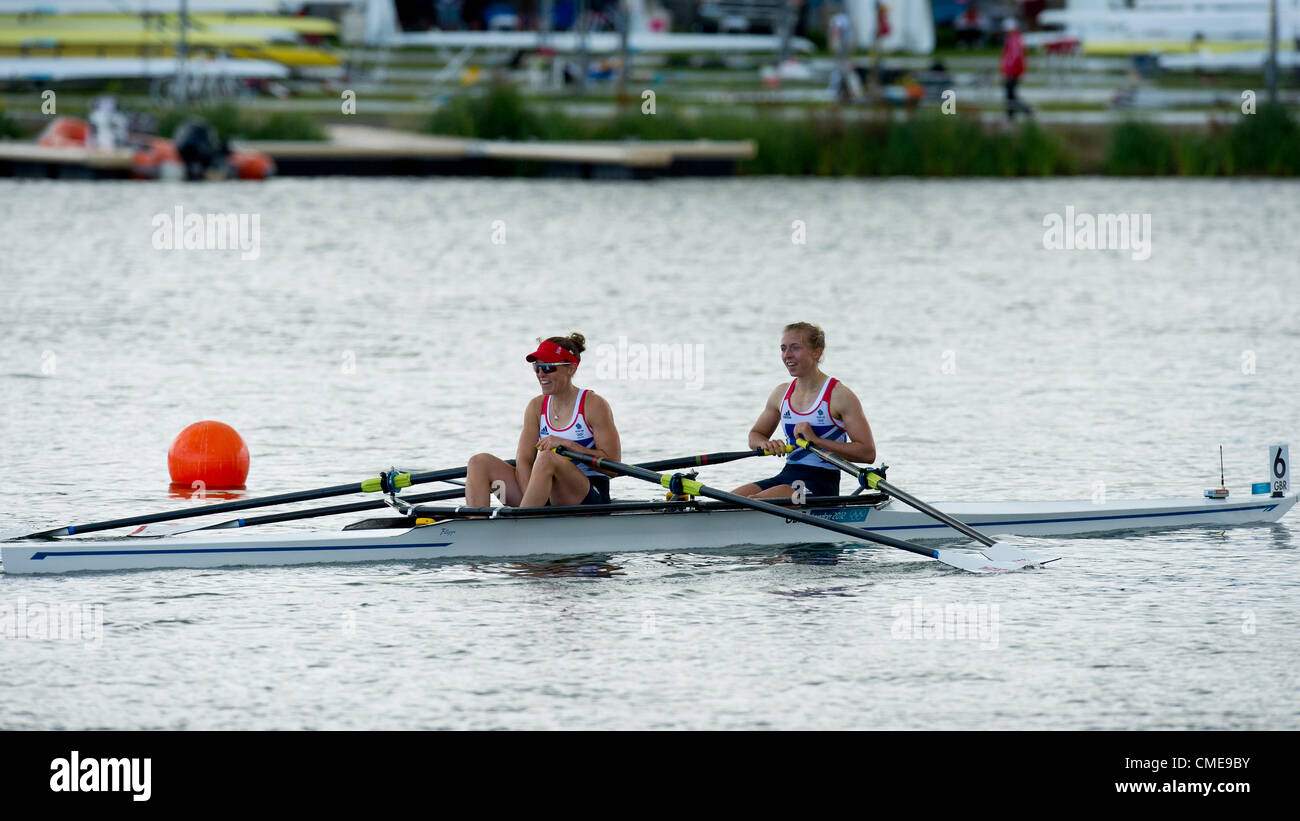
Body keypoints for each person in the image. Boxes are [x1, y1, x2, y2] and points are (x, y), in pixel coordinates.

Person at [465, 333, 620, 508]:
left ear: (571, 368)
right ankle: (478, 523)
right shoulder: (536, 407)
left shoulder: (594, 404)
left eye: (548, 367)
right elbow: (524, 460)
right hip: (543, 494)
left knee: (547, 458)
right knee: (478, 462)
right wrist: (531, 494)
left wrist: (568, 445)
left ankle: (525, 524)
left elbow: (613, 467)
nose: (540, 374)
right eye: (537, 367)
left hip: (587, 493)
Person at [733, 322, 876, 500]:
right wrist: (765, 444)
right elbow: (755, 435)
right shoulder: (780, 394)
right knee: (727, 499)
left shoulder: (840, 396)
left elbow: (868, 453)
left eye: (795, 348)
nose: (787, 355)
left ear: (817, 352)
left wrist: (815, 441)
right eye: (783, 349)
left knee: (755, 502)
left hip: (820, 484)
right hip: (786, 476)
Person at [1001, 17, 1029, 121]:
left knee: (1010, 95)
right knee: (1011, 95)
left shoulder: (1014, 39)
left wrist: (1010, 71)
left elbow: (1014, 57)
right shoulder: (1016, 38)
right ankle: (1014, 115)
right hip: (1013, 71)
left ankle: (1024, 111)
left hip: (1013, 72)